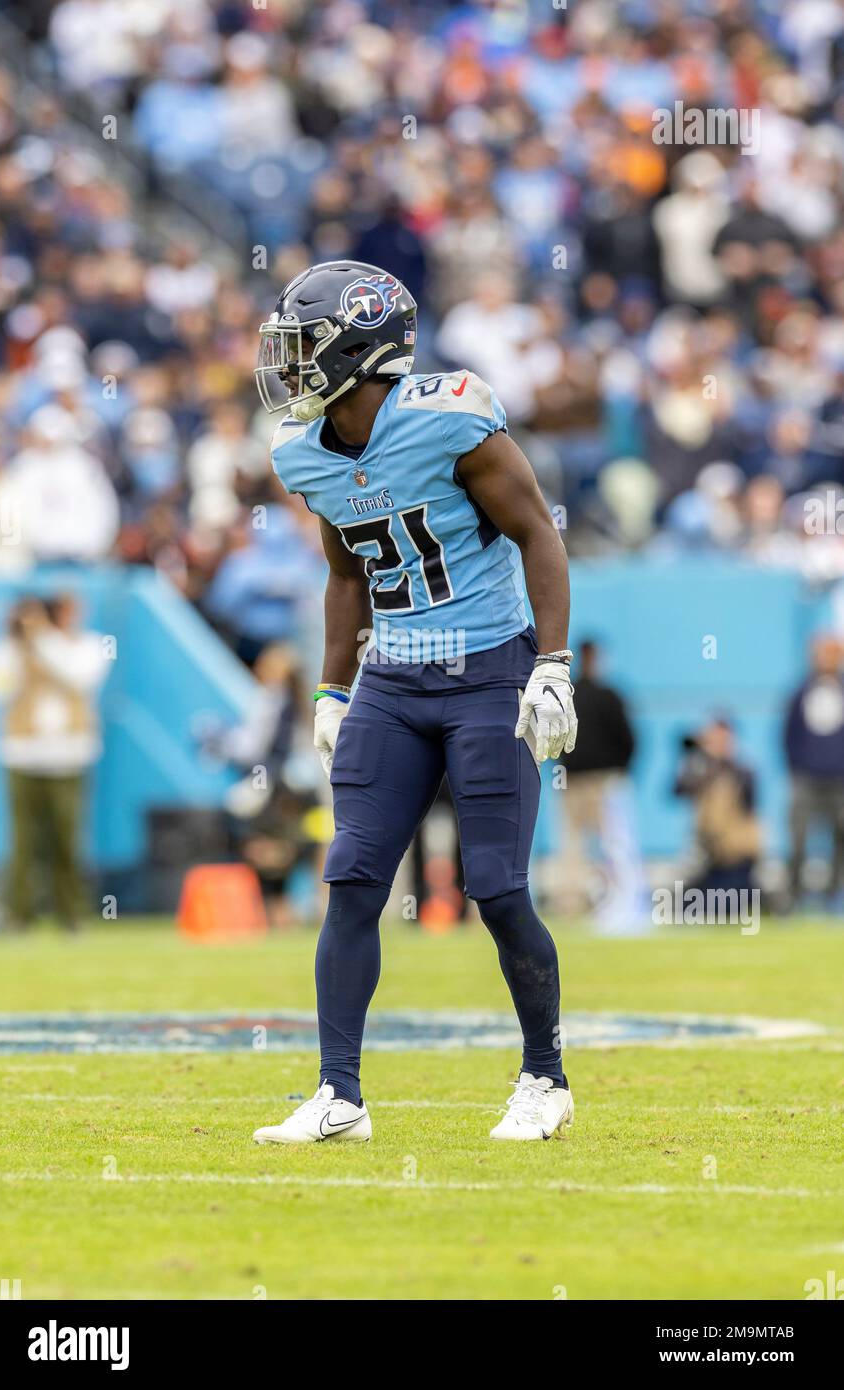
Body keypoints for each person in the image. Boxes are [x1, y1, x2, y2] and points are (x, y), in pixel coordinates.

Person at [251, 260, 577, 1144]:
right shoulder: (305, 451)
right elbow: (344, 577)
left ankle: (544, 1077)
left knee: (498, 890)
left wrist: (551, 661)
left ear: (358, 348)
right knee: (352, 880)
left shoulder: (451, 417)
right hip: (393, 683)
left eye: (302, 347)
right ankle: (338, 1095)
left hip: (489, 671)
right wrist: (331, 689)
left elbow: (536, 533)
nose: (285, 365)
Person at [0, 593, 109, 931]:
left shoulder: (87, 646)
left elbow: (78, 677)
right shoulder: (6, 650)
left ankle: (72, 914)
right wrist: (16, 645)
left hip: (69, 753)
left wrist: (41, 637)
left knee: (67, 838)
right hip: (21, 752)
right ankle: (18, 915)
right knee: (23, 840)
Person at [557, 639, 635, 914]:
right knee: (612, 845)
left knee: (573, 847)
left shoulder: (568, 693)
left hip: (572, 780)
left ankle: (573, 906)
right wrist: (622, 769)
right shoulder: (608, 695)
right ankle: (617, 903)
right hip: (602, 781)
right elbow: (628, 738)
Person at [784, 635, 844, 908]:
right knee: (798, 837)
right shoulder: (801, 692)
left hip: (839, 779)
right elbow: (789, 735)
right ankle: (795, 894)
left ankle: (834, 896)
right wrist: (797, 768)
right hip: (806, 779)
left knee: (840, 836)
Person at [674, 718, 761, 900]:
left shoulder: (741, 769)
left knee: (729, 900)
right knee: (686, 901)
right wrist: (696, 761)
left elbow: (749, 800)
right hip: (706, 852)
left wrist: (716, 764)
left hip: (734, 855)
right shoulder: (700, 768)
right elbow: (678, 790)